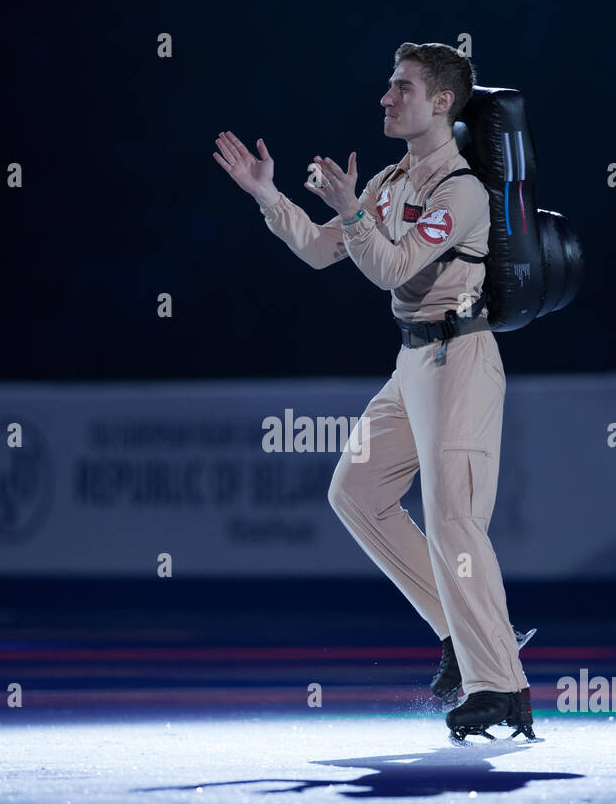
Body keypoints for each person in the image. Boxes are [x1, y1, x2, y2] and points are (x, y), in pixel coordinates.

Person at [212, 41, 534, 743]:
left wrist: (354, 211)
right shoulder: (389, 182)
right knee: (355, 489)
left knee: (455, 519)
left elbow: (391, 268)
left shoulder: (463, 193)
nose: (386, 99)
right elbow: (321, 250)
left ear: (441, 102)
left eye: (402, 88)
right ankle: (458, 633)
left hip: (461, 357)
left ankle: (502, 685)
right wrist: (270, 194)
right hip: (412, 362)